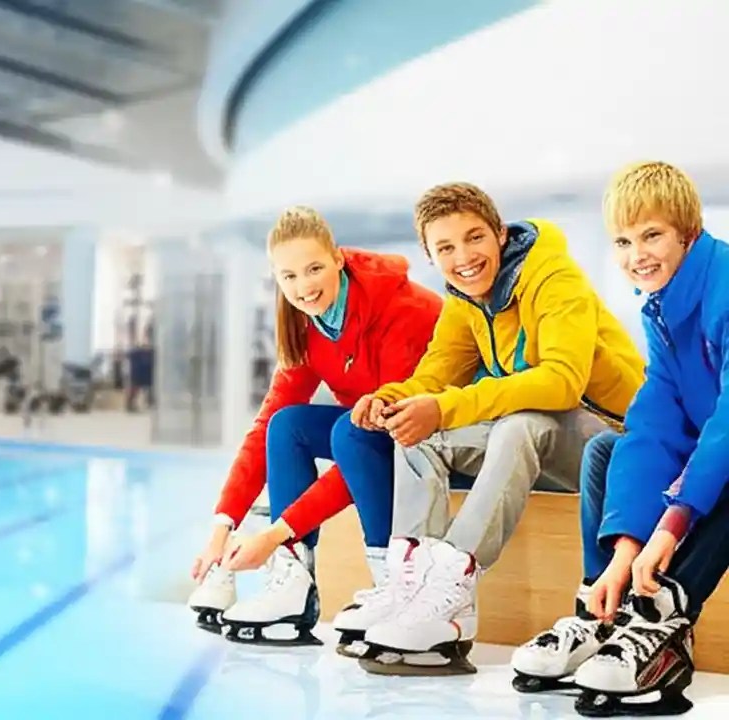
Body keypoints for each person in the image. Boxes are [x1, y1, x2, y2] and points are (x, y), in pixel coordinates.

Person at [343, 183, 645, 675]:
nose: (463, 257)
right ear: (430, 254)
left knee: (518, 424)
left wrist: (445, 407)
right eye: (445, 247)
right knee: (417, 433)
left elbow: (562, 383)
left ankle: (455, 586)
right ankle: (411, 584)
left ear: (500, 235)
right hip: (539, 443)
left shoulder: (554, 278)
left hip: (613, 446)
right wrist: (391, 399)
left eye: (474, 238)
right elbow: (435, 373)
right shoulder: (466, 299)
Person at [512, 161, 729, 717]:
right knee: (606, 451)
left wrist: (672, 523)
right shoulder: (662, 309)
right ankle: (602, 608)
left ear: (687, 232)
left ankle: (664, 620)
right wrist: (624, 553)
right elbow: (654, 425)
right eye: (624, 240)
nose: (638, 254)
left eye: (652, 234)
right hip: (713, 445)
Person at [186, 205, 442, 646]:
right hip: (372, 434)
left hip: (434, 431)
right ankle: (292, 582)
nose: (303, 287)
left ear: (338, 258)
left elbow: (381, 433)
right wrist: (221, 527)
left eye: (314, 269)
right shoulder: (305, 324)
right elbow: (266, 422)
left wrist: (274, 531)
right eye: (288, 277)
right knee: (287, 426)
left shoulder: (403, 309)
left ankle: (392, 583)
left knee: (352, 431)